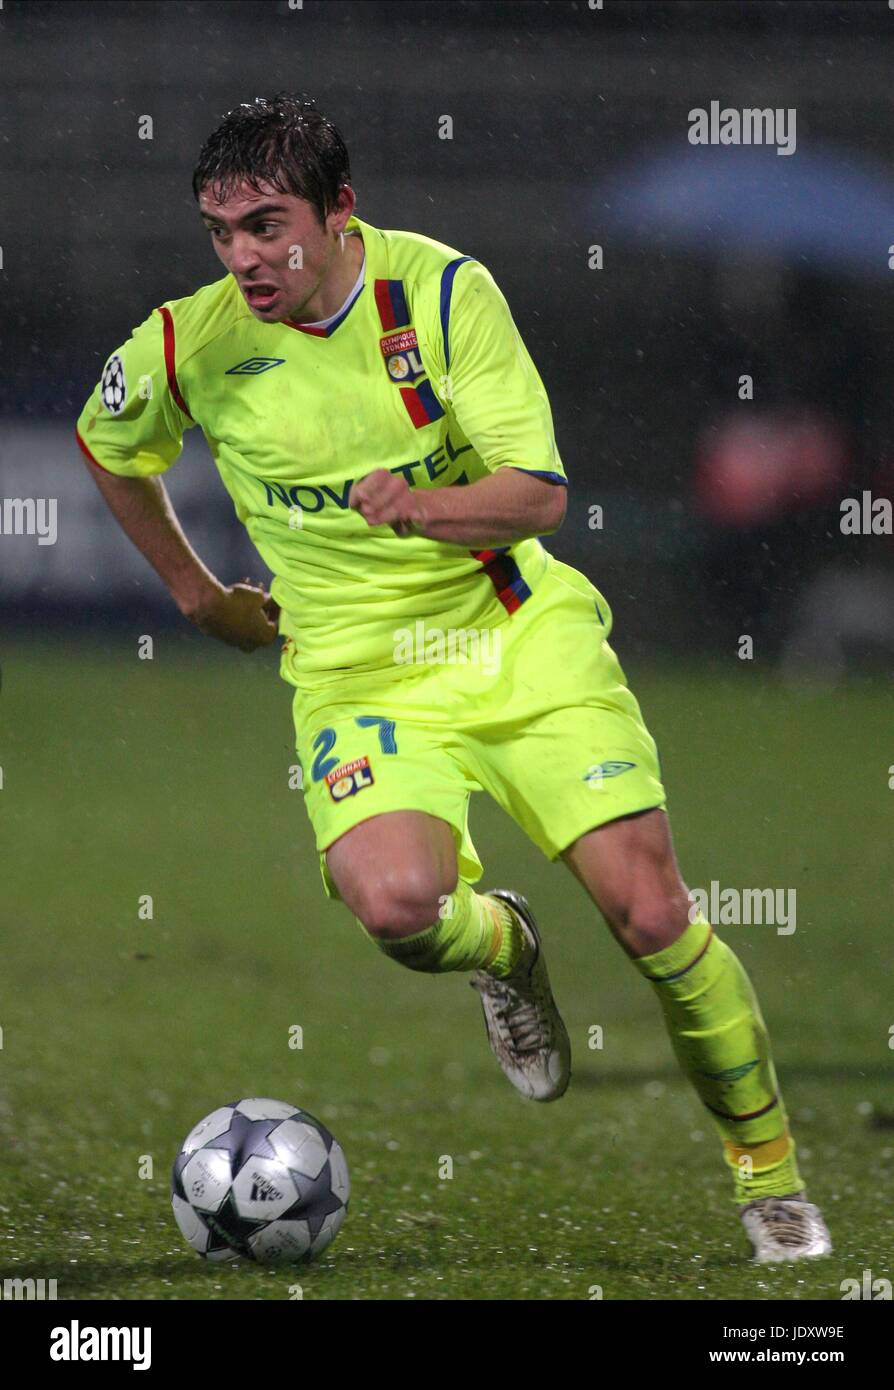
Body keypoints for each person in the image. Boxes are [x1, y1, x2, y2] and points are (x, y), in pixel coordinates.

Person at [76, 94, 830, 1265]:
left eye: (267, 226)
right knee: (396, 908)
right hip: (358, 675)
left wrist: (422, 506)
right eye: (220, 232)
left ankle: (769, 1179)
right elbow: (107, 440)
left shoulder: (439, 295)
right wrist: (196, 592)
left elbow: (540, 495)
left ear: (339, 210)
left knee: (652, 916)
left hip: (515, 640)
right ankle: (506, 949)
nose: (243, 258)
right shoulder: (191, 342)